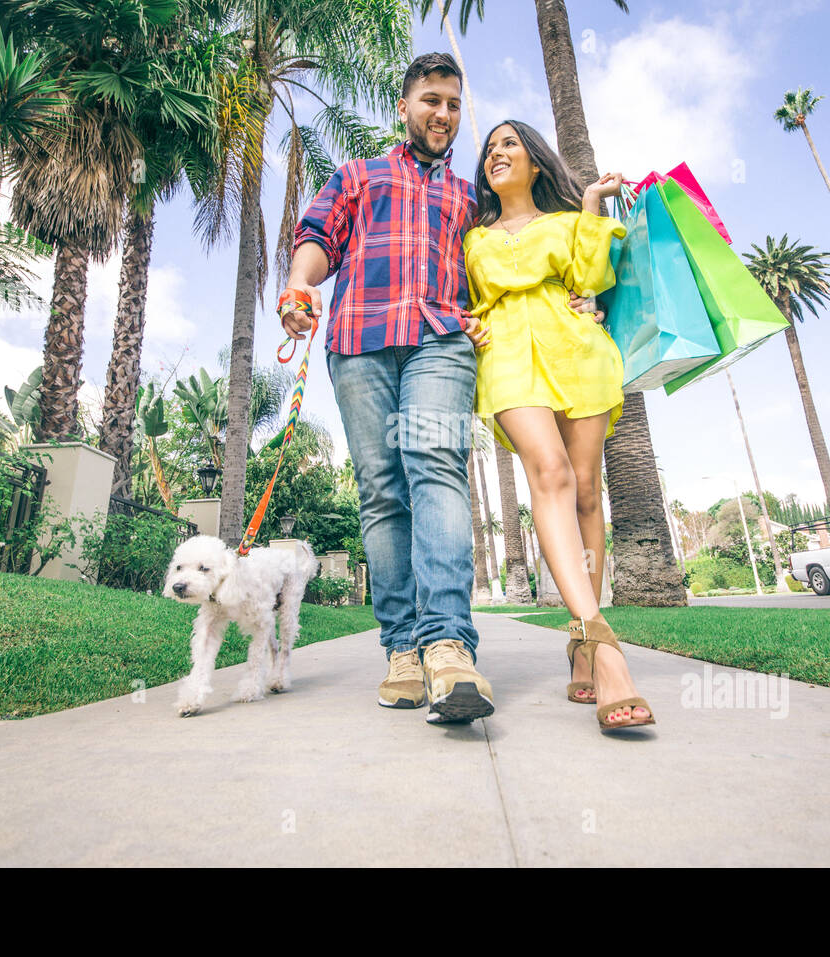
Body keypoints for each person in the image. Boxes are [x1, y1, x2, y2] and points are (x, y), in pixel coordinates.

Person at [279, 53, 490, 725]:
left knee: (436, 470)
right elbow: (317, 238)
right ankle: (402, 649)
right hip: (360, 340)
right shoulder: (358, 175)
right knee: (381, 491)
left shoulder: (468, 199)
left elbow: (501, 271)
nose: (443, 114)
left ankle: (449, 643)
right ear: (404, 107)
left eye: (453, 104)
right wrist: (300, 284)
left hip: (440, 340)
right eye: (431, 100)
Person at [460, 119, 654, 732]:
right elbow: (455, 296)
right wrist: (465, 323)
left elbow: (592, 281)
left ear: (536, 161)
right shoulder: (471, 238)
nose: (496, 152)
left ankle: (576, 640)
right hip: (507, 356)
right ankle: (604, 644)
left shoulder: (569, 222)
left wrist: (592, 204)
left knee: (588, 490)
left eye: (509, 144)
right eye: (489, 147)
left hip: (577, 349)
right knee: (549, 472)